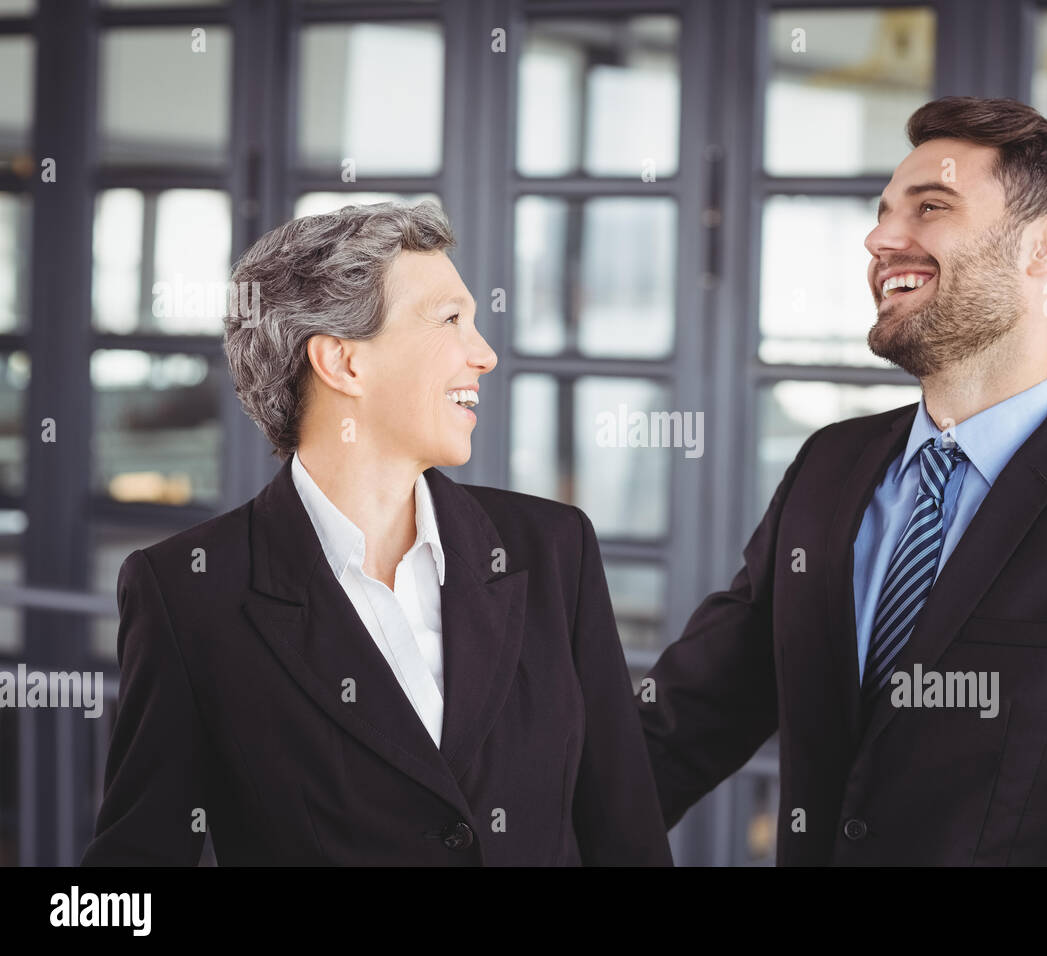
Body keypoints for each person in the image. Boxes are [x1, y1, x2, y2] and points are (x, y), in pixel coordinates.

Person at [638, 96, 1047, 865]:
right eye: (881, 213)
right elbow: (682, 725)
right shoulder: (827, 468)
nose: (879, 238)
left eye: (930, 206)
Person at [83, 201, 671, 866]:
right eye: (451, 320)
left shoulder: (552, 547)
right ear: (343, 362)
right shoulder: (189, 594)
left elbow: (626, 833)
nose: (485, 354)